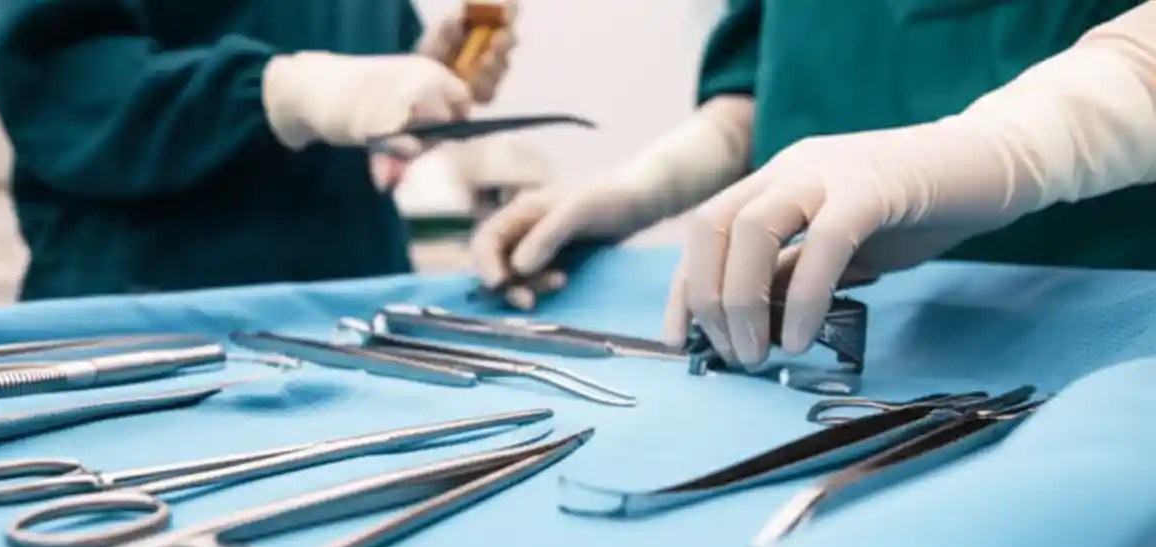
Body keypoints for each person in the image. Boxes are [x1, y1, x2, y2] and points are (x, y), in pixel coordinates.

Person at [472, 1, 1156, 365]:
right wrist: (640, 189)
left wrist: (1018, 148)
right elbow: (770, 80)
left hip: (1086, 327)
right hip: (809, 338)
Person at [0, 0, 515, 300]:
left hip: (359, 301)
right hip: (156, 319)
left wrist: (424, 68)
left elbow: (346, 57)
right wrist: (278, 91)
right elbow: (62, 84)